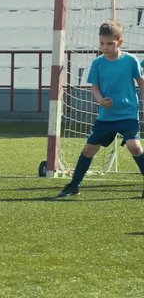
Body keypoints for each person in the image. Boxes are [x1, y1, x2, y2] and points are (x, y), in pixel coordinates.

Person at [58, 21, 144, 198]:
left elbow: (140, 81)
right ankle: (74, 185)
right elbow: (95, 87)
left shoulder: (130, 61)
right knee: (89, 150)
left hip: (127, 113)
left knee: (134, 147)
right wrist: (100, 100)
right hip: (106, 116)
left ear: (119, 42)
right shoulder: (98, 63)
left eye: (110, 43)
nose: (105, 47)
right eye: (102, 43)